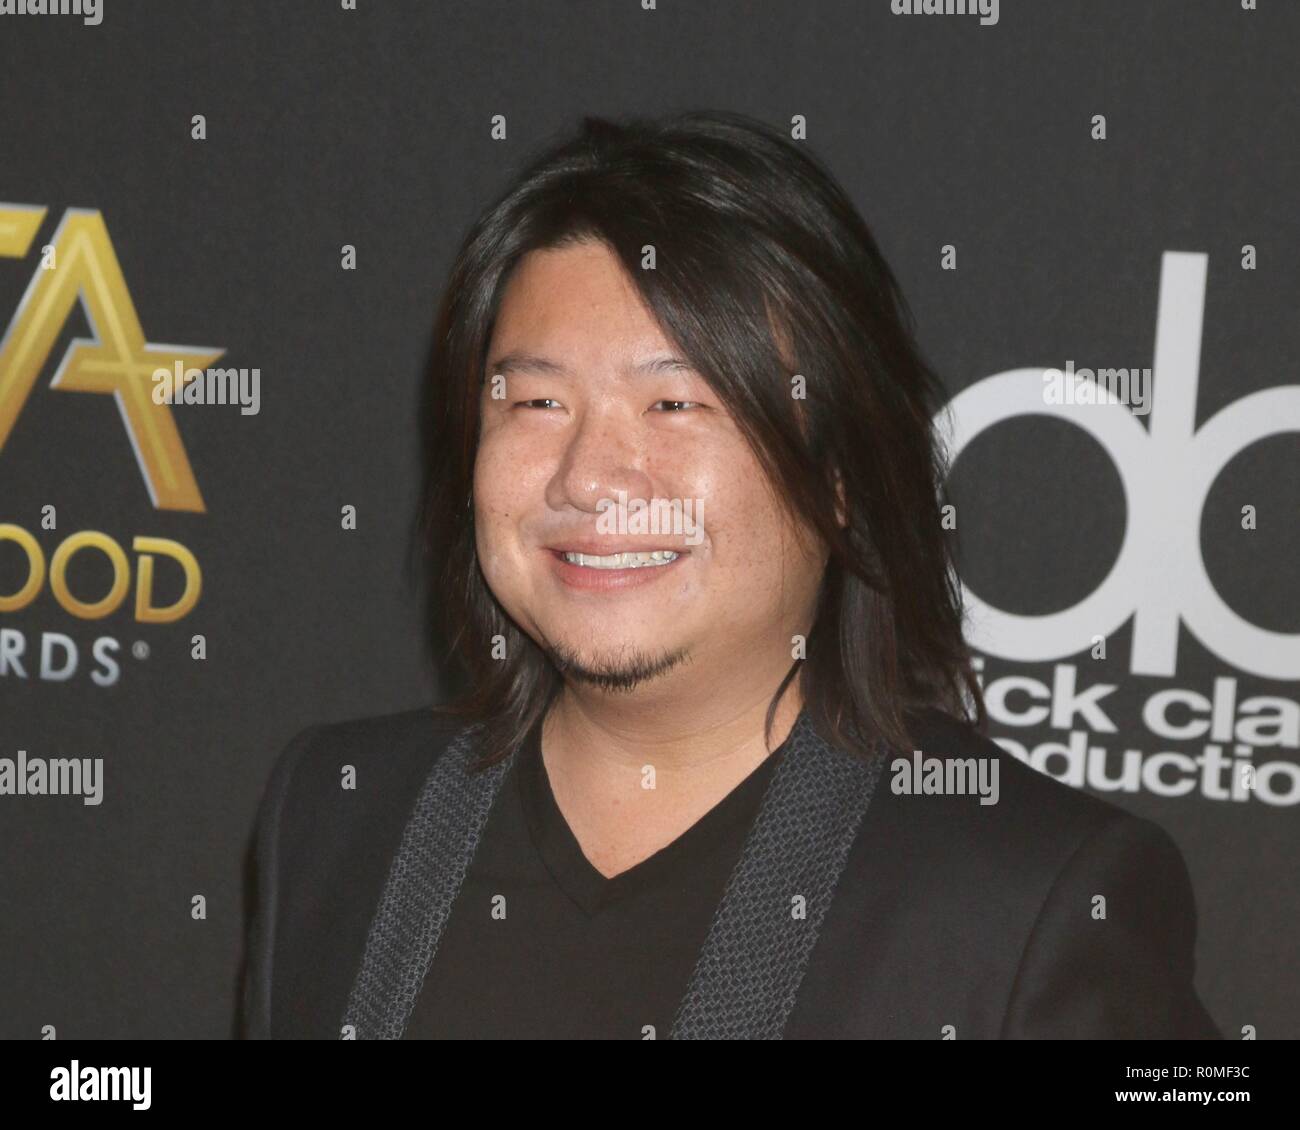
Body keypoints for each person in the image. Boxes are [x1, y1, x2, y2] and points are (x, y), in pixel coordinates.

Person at [239, 110, 1219, 1040]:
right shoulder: (334, 810)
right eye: (536, 400)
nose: (589, 477)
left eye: (675, 403)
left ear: (839, 477)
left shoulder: (1030, 900)